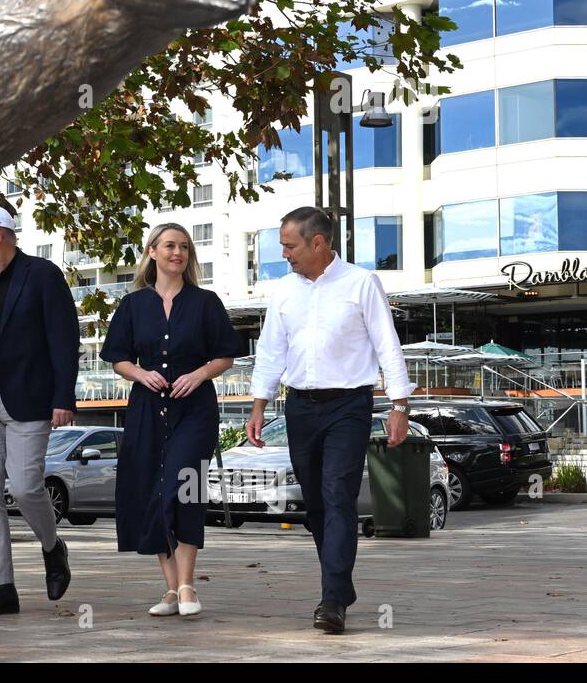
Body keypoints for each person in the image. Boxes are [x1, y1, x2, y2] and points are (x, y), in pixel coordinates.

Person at [245, 206, 412, 634]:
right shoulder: (283, 291)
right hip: (299, 406)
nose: (285, 253)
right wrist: (259, 403)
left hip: (348, 406)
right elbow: (270, 350)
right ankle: (339, 583)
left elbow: (386, 343)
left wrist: (399, 405)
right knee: (316, 504)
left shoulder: (361, 283)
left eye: (290, 245)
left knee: (337, 495)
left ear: (318, 242)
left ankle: (333, 598)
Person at [0, 203, 81, 616]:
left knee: (24, 487)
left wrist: (63, 397)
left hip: (30, 400)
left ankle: (51, 545)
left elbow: (64, 338)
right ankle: (1, 586)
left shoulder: (41, 275)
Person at [100, 223, 238, 617]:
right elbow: (118, 357)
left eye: (184, 247)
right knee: (153, 492)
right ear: (152, 252)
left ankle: (188, 585)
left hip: (194, 410)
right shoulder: (132, 305)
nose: (177, 252)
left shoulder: (206, 302)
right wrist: (140, 374)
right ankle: (171, 590)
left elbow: (225, 355)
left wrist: (198, 374)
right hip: (146, 410)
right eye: (169, 246)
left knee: (185, 487)